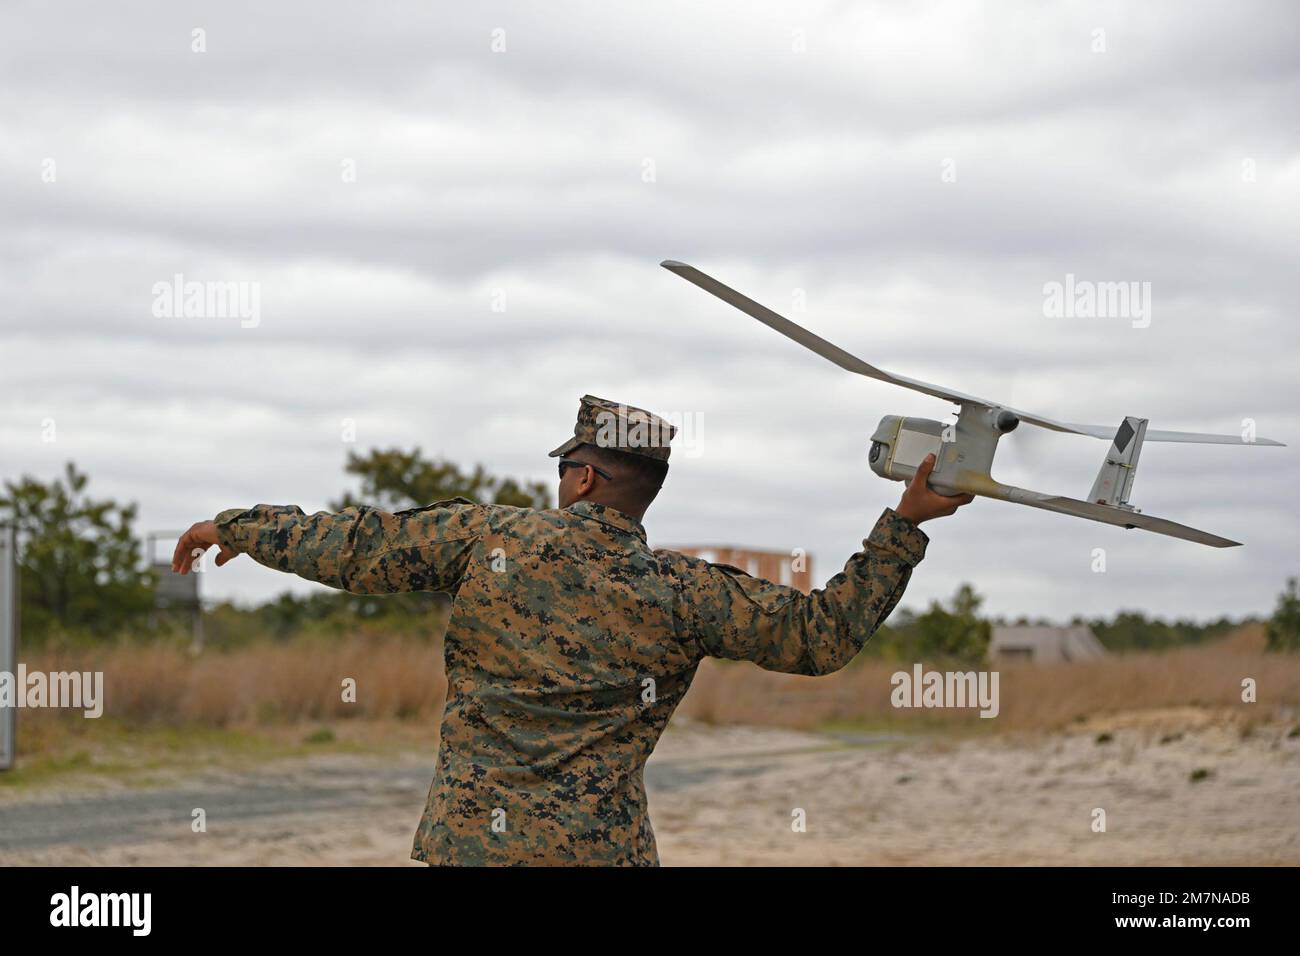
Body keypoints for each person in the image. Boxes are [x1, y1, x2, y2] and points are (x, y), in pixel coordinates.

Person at [173, 394, 973, 865]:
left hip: (471, 847)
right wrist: (903, 522)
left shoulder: (486, 539)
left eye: (565, 467)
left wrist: (236, 529)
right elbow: (822, 636)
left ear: (584, 475)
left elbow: (353, 548)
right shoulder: (682, 592)